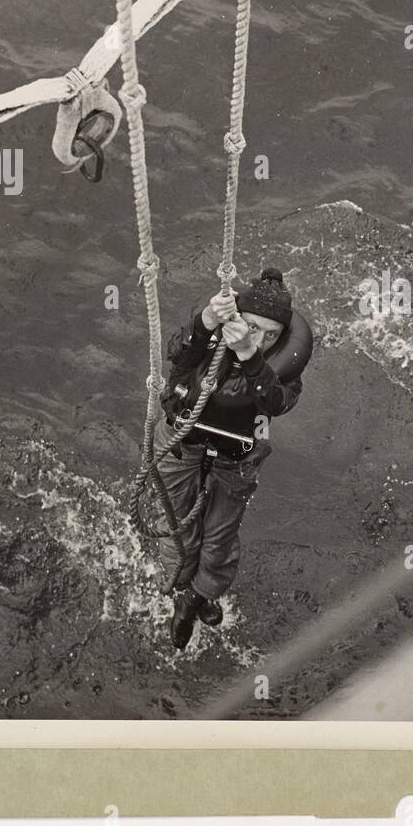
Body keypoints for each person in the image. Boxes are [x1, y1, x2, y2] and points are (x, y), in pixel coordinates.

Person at [157, 267, 309, 650]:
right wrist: (208, 321)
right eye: (251, 325)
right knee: (178, 526)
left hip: (237, 457)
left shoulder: (285, 369)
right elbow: (175, 353)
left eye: (269, 334)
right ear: (238, 316)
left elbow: (276, 402)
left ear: (281, 338)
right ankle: (180, 585)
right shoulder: (211, 337)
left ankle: (200, 595)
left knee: (219, 535)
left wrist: (248, 354)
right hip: (182, 442)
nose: (258, 337)